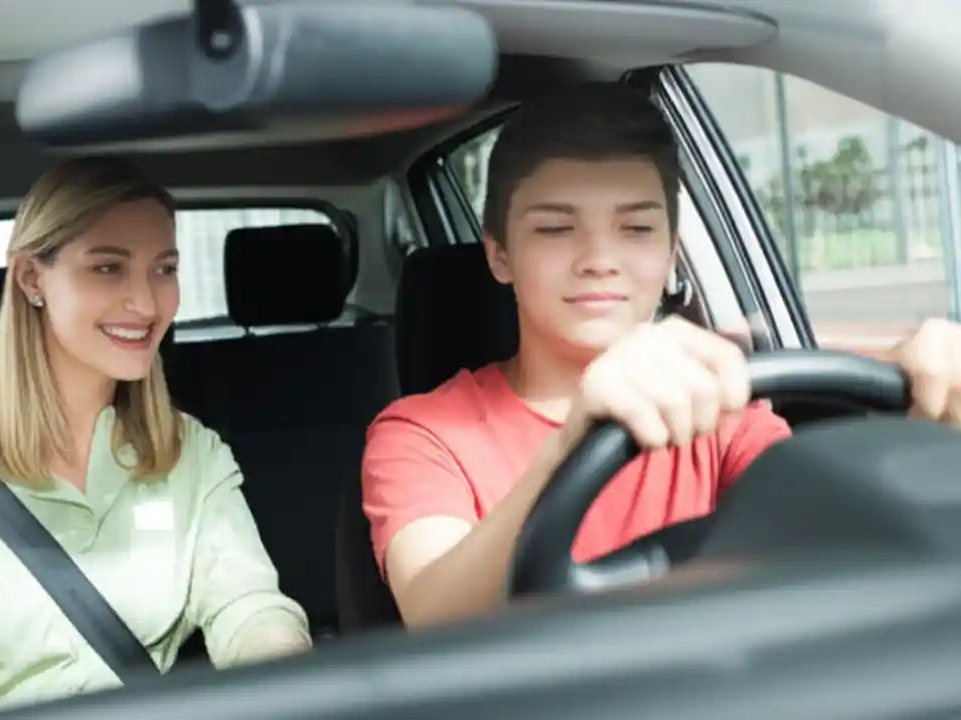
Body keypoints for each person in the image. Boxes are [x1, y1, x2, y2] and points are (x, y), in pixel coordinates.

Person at [361, 82, 961, 630]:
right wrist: (574, 441)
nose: (599, 258)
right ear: (499, 256)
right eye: (555, 229)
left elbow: (820, 531)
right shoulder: (420, 434)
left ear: (673, 255)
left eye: (637, 229)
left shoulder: (725, 411)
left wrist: (924, 419)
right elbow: (435, 613)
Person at [0, 157, 311, 718]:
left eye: (164, 269)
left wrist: (282, 670)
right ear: (32, 279)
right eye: (108, 268)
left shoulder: (190, 452)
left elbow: (248, 605)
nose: (146, 303)